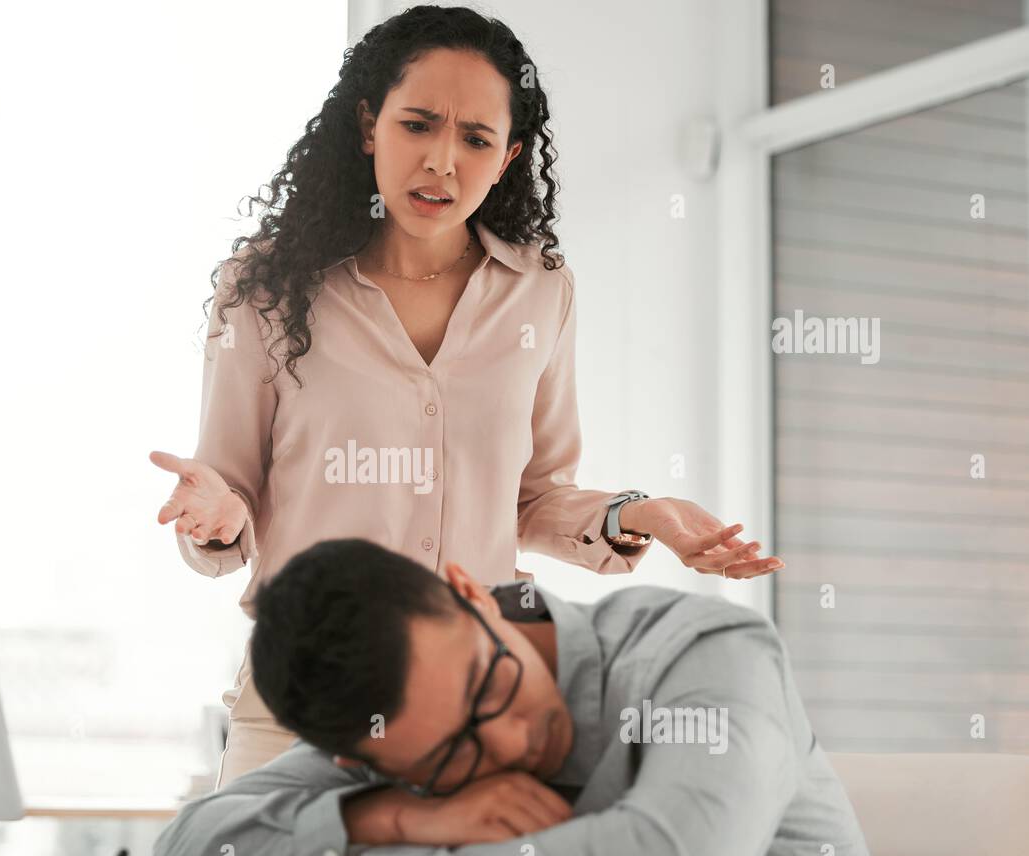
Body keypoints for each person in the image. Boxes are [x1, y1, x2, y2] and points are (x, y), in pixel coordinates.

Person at [150, 6, 782, 789]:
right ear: (368, 124)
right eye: (418, 124)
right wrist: (218, 518)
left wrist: (633, 513)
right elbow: (228, 494)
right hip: (303, 699)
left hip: (471, 704)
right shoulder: (270, 285)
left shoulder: (541, 293)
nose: (442, 162)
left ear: (509, 155)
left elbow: (533, 498)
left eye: (476, 139)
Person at [150, 538, 902, 856]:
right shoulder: (388, 721)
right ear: (360, 757)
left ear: (471, 593)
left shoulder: (703, 652)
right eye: (455, 756)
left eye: (492, 682)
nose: (509, 743)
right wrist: (393, 817)